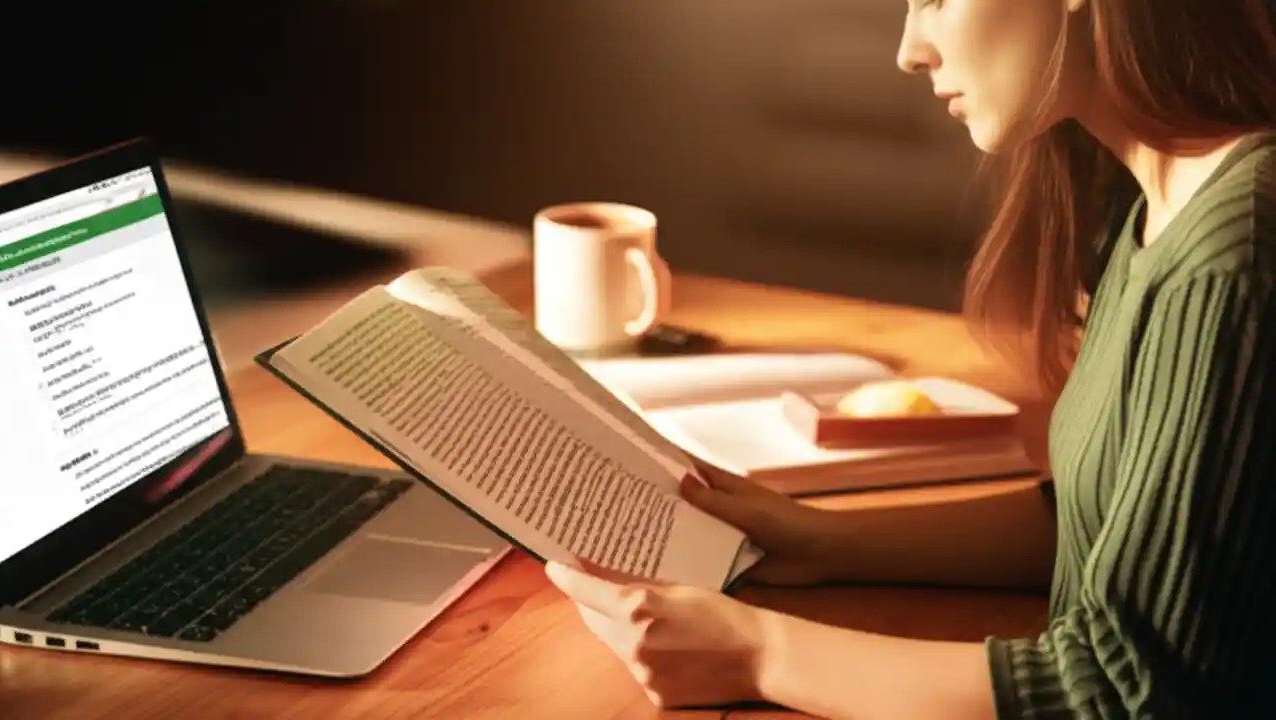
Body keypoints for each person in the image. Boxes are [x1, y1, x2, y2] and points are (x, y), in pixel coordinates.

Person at [546, 0, 1276, 716]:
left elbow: (1125, 691)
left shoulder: (1230, 257)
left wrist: (756, 652)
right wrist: (823, 540)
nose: (909, 49)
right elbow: (1103, 522)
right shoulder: (1160, 207)